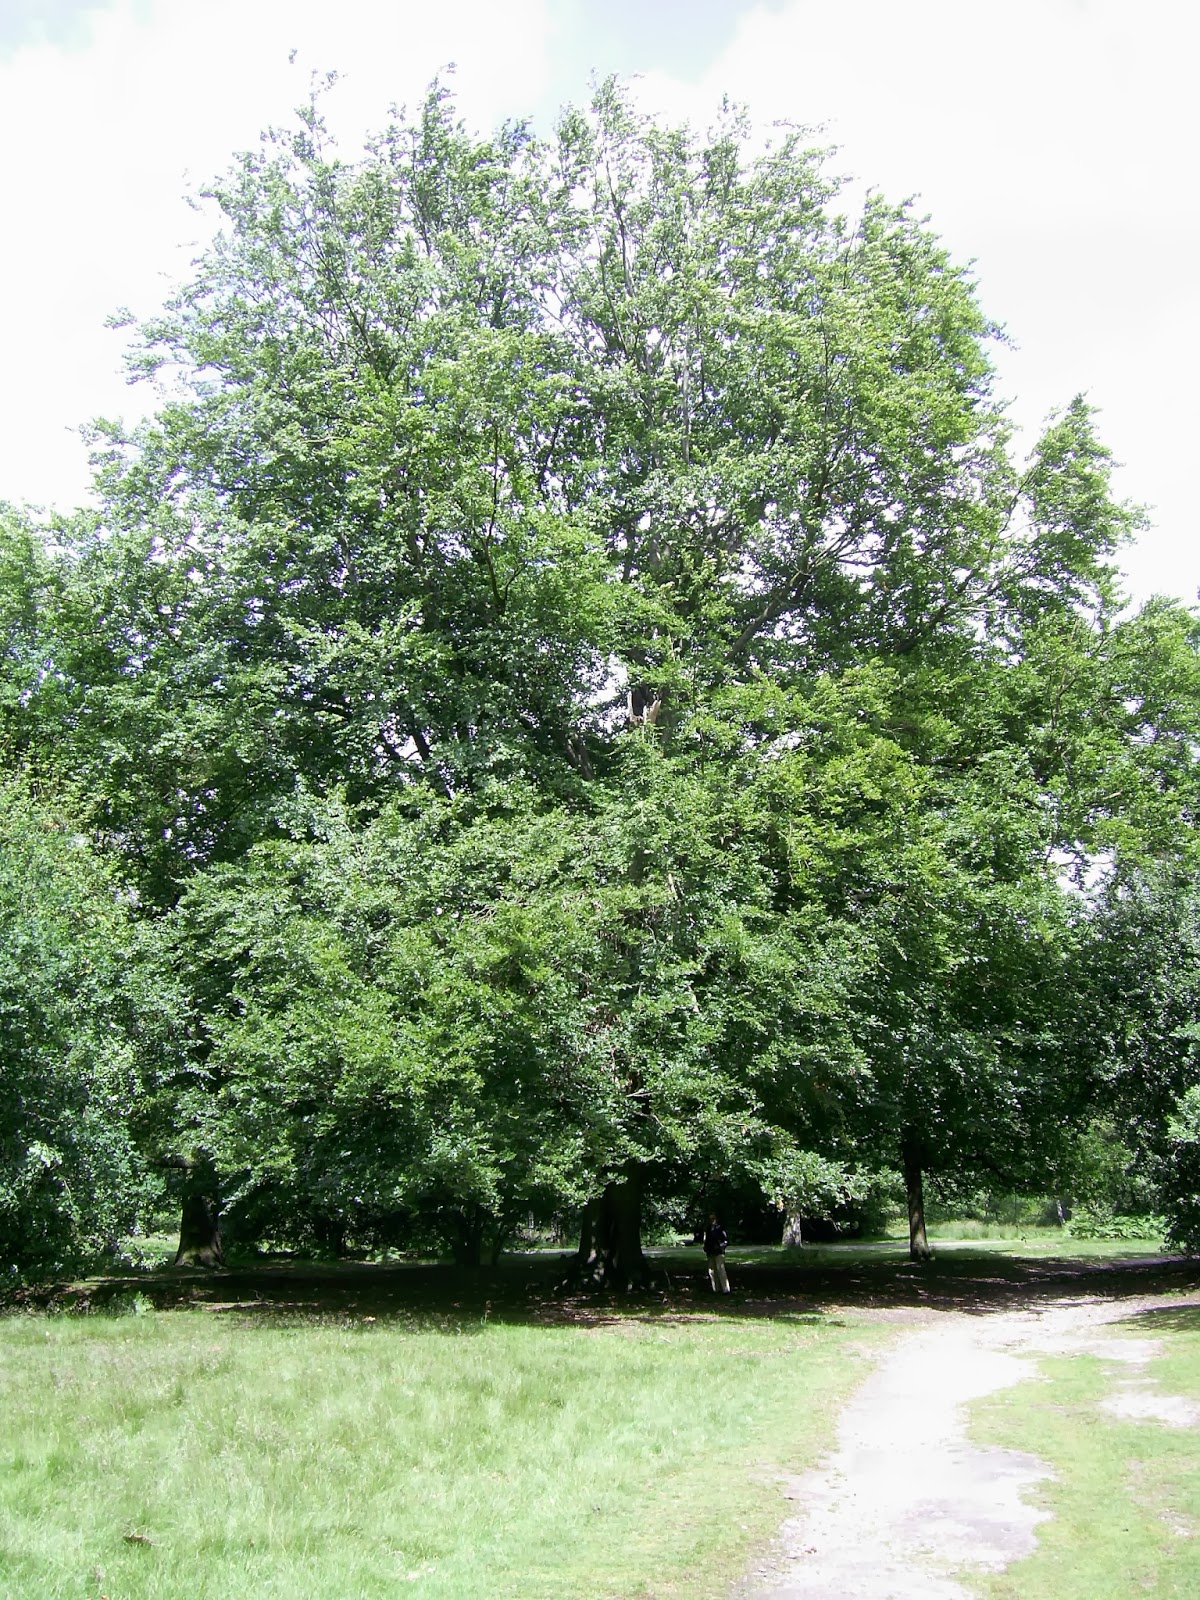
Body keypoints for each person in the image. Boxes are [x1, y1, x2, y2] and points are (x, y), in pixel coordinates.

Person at [704, 1212, 730, 1293]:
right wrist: (706, 1248)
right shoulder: (708, 1229)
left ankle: (725, 1289)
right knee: (711, 1271)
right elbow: (707, 1240)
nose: (712, 1221)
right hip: (710, 1252)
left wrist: (719, 1248)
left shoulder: (720, 1228)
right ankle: (716, 1289)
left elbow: (725, 1241)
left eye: (713, 1219)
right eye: (710, 1219)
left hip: (719, 1252)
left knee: (721, 1270)